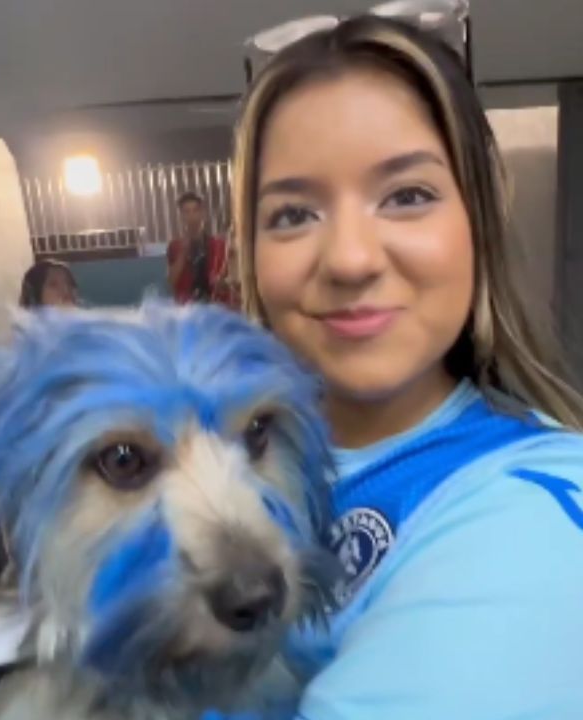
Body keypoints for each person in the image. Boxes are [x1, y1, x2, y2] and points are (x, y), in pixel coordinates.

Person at [231, 13, 583, 719]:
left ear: (479, 219)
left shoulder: (531, 509)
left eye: (407, 196)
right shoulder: (219, 465)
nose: (351, 259)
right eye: (294, 214)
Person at [166, 191, 233, 305]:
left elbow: (231, 279)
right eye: (186, 212)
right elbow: (171, 282)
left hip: (216, 307)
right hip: (188, 310)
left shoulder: (219, 245)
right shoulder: (174, 246)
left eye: (195, 210)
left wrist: (224, 284)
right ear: (181, 216)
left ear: (203, 213)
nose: (192, 216)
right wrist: (183, 252)